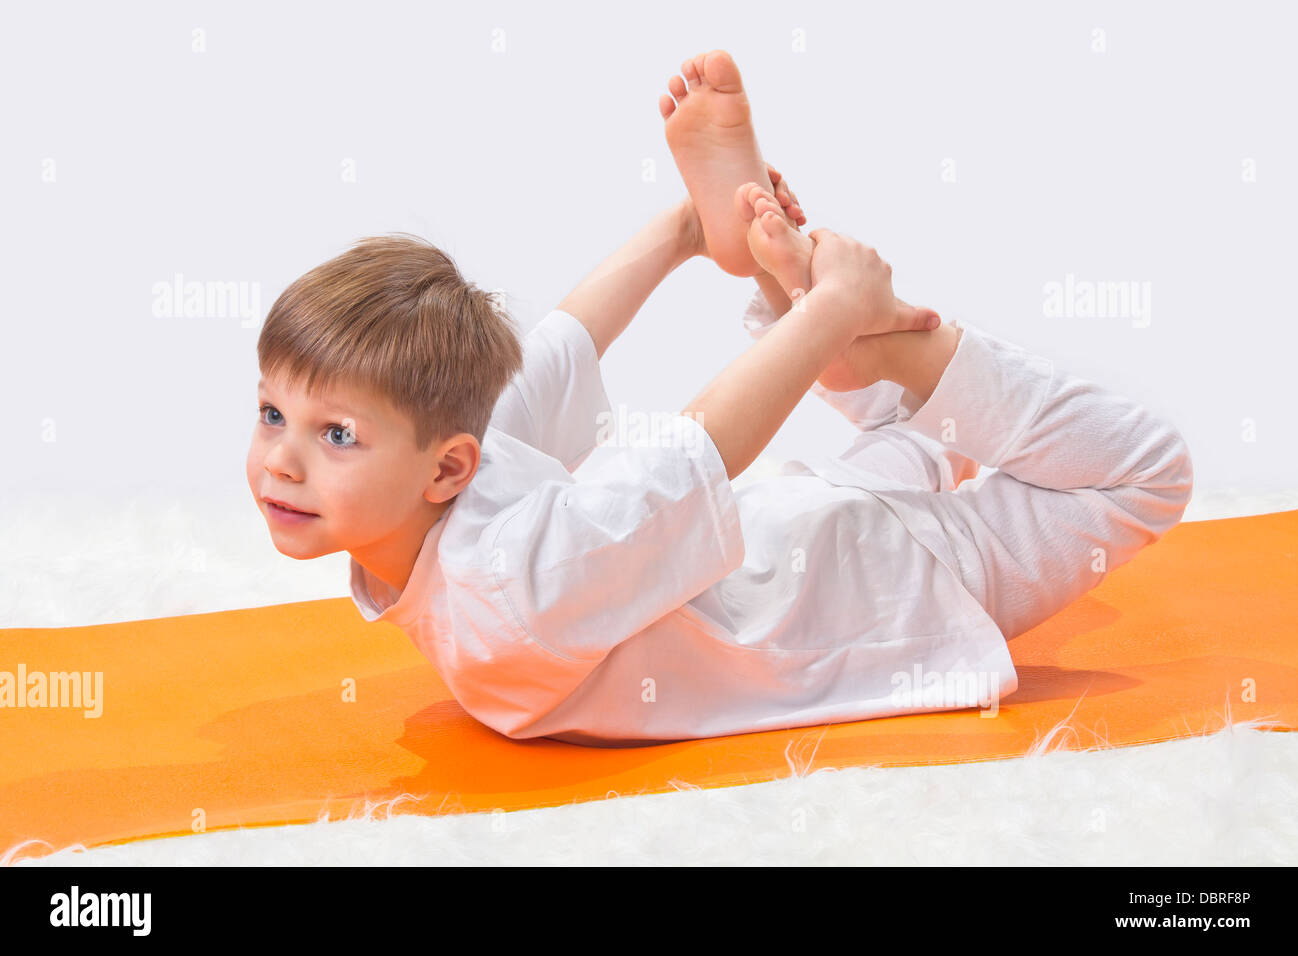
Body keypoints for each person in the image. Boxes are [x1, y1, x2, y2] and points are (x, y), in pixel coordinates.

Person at [247, 51, 1193, 747]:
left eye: (334, 433)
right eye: (274, 415)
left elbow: (678, 437)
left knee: (1149, 474)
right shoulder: (465, 515)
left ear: (448, 463)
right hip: (812, 540)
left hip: (882, 587)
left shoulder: (506, 592)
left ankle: (888, 335)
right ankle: (867, 337)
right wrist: (763, 281)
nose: (282, 460)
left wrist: (777, 285)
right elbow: (596, 394)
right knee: (932, 436)